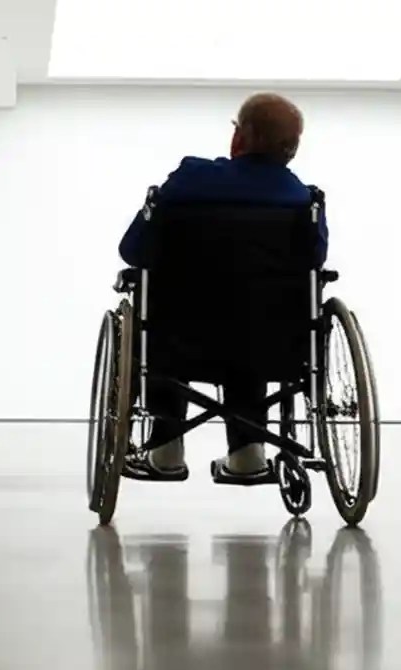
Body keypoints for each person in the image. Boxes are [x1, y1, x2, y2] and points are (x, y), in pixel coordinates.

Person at [119, 93, 328, 482]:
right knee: (254, 322)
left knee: (162, 316)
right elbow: (313, 263)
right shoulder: (302, 200)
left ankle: (165, 448)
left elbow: (132, 251)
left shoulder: (188, 182)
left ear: (241, 137)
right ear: (292, 149)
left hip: (179, 340)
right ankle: (248, 452)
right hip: (269, 344)